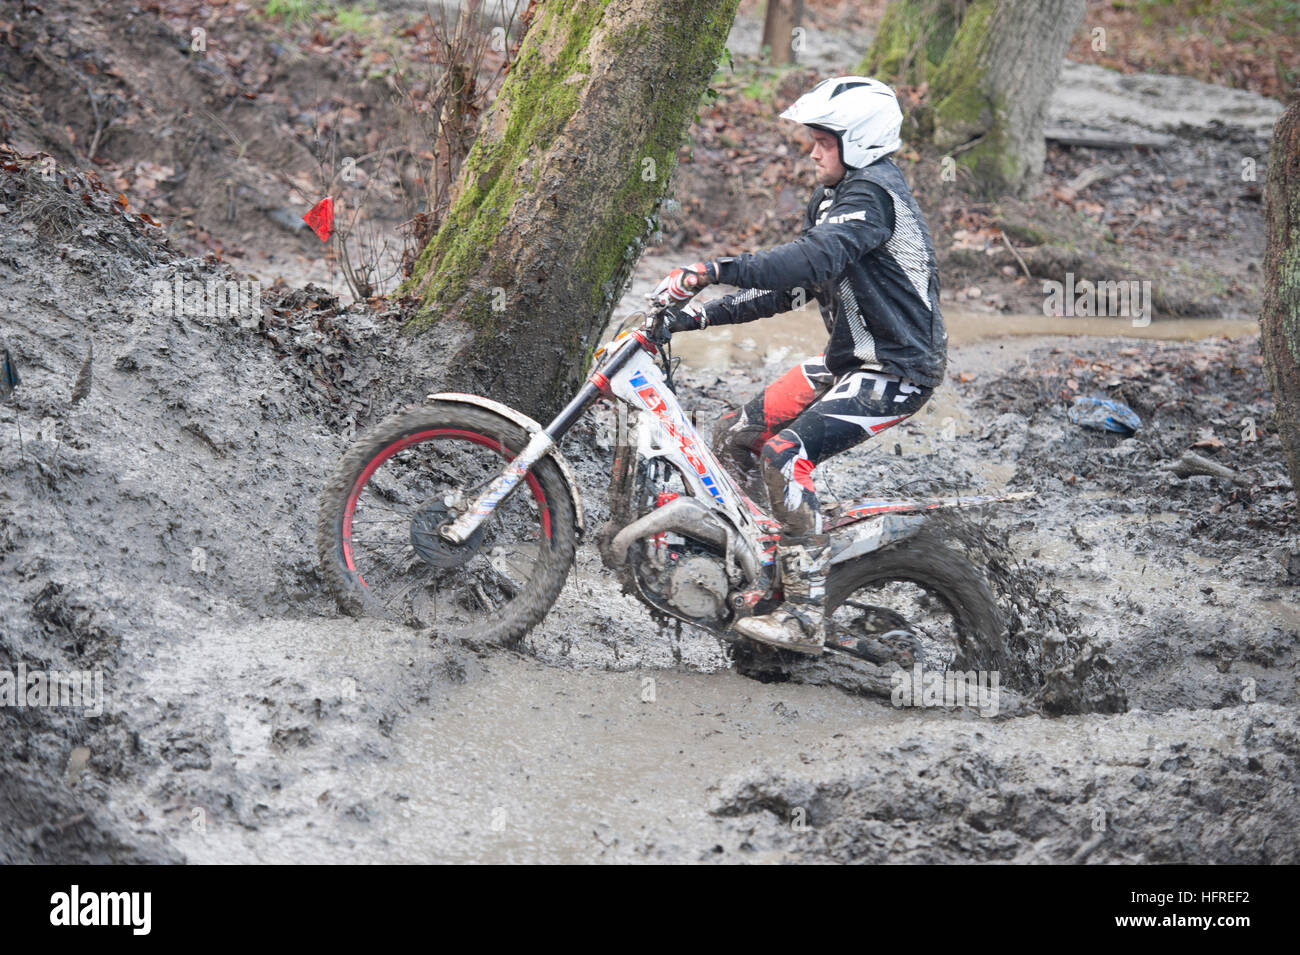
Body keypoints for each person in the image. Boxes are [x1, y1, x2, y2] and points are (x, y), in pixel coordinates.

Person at [651, 76, 948, 654]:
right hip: (847, 361)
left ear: (859, 141)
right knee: (736, 436)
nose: (812, 152)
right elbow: (797, 284)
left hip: (895, 371)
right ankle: (766, 566)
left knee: (786, 456)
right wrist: (693, 320)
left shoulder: (874, 198)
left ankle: (805, 613)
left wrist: (714, 268)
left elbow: (808, 257)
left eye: (823, 141)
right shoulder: (835, 199)